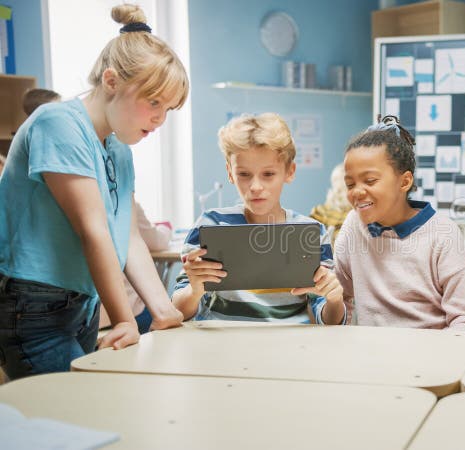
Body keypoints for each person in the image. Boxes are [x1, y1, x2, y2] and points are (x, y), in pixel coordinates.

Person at [0, 4, 187, 380]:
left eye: (167, 109)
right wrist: (124, 319)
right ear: (111, 81)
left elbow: (127, 235)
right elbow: (93, 231)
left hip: (80, 305)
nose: (160, 118)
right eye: (153, 102)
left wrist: (162, 308)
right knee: (65, 420)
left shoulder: (117, 147)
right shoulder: (58, 124)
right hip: (33, 304)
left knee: (86, 417)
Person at [172, 113, 346, 325]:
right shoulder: (211, 225)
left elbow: (329, 320)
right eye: (244, 174)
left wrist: (334, 299)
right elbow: (179, 311)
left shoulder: (311, 232)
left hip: (289, 345)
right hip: (222, 343)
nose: (255, 186)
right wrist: (194, 290)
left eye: (268, 174)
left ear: (289, 172)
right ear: (230, 172)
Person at [334, 115, 465, 334]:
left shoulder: (443, 234)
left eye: (370, 181)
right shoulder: (353, 224)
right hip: (372, 357)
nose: (357, 192)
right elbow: (340, 296)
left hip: (430, 357)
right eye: (350, 183)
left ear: (404, 182)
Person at [99, 201, 172, 333]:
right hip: (126, 315)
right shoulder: (122, 201)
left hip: (90, 317)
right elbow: (157, 242)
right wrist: (166, 228)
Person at [309, 163, 352, 247]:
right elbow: (307, 239)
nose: (339, 185)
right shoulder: (320, 211)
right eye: (336, 180)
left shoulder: (360, 212)